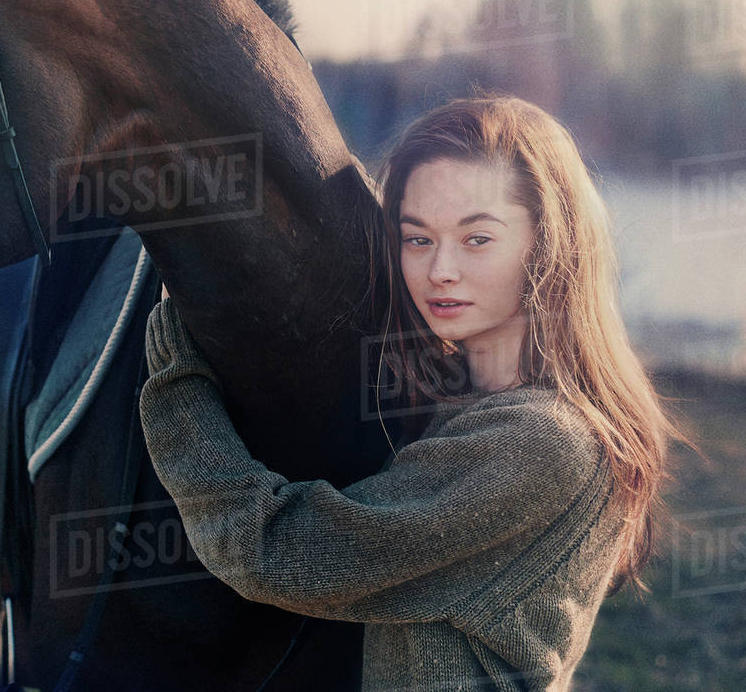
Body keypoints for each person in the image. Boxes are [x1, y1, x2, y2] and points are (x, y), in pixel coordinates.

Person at [138, 94, 692, 690]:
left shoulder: (539, 441)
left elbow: (279, 553)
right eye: (417, 238)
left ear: (548, 243)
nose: (439, 270)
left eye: (477, 239)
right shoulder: (489, 405)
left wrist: (178, 380)